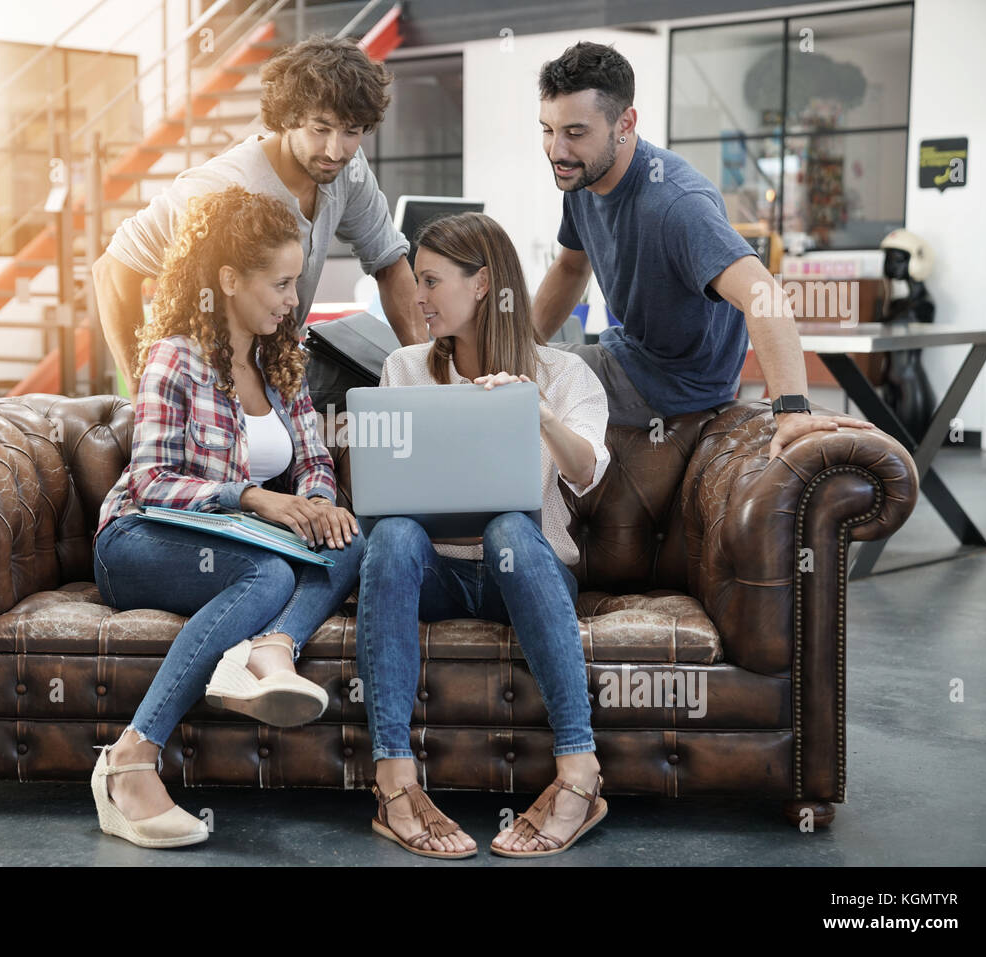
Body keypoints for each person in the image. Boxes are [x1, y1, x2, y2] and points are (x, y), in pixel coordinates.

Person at [91, 186, 365, 849]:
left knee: (356, 539)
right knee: (269, 574)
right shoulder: (175, 357)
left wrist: (320, 501)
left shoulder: (281, 359)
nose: (291, 299)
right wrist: (250, 496)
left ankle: (270, 649)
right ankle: (129, 758)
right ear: (228, 280)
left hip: (240, 537)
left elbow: (314, 458)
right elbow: (151, 480)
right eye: (279, 282)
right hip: (140, 538)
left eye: (295, 282)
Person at [356, 212, 611, 859]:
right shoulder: (405, 368)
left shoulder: (563, 374)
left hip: (521, 573)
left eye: (432, 280)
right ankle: (393, 781)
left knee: (508, 525)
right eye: (416, 280)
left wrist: (537, 411)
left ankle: (581, 773)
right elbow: (383, 497)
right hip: (436, 576)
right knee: (393, 535)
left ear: (483, 285)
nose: (417, 298)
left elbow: (584, 472)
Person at [532, 41, 874, 456]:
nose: (556, 151)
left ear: (625, 123)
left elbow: (762, 295)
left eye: (575, 133)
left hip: (677, 386)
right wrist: (517, 343)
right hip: (629, 355)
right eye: (548, 130)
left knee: (514, 385)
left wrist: (792, 412)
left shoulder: (675, 203)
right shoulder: (583, 177)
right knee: (499, 367)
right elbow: (570, 267)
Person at [94, 35, 426, 402]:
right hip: (209, 377)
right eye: (321, 129)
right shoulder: (224, 185)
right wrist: (141, 391)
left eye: (352, 132)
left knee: (373, 397)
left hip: (277, 365)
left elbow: (390, 265)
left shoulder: (350, 170)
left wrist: (428, 380)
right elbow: (111, 270)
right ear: (287, 118)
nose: (336, 150)